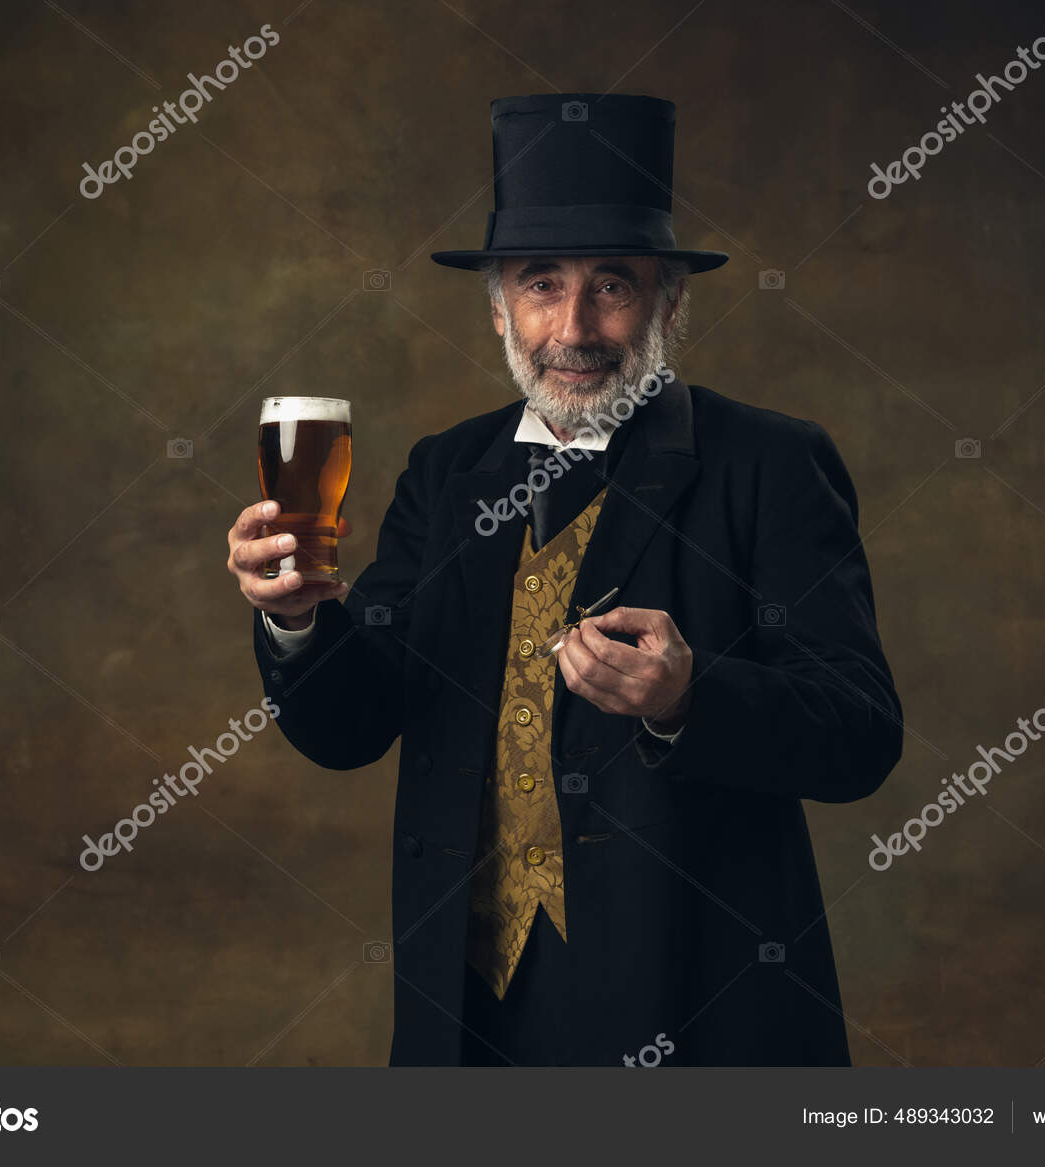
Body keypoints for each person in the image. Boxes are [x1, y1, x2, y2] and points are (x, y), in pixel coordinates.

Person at [227, 93, 902, 1066]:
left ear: (670, 302)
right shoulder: (444, 471)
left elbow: (860, 733)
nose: (573, 326)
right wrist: (296, 623)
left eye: (612, 285)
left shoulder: (769, 464)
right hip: (468, 1016)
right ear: (499, 306)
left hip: (695, 1008)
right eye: (542, 284)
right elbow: (350, 726)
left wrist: (689, 697)